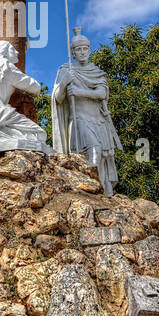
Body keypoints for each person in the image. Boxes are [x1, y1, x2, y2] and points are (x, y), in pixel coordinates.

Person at [51, 29, 122, 194]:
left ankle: (103, 191)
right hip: (79, 119)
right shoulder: (66, 70)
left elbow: (101, 94)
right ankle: (91, 189)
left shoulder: (96, 72)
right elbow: (58, 98)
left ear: (89, 50)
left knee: (102, 157)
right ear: (73, 53)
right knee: (94, 151)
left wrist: (79, 91)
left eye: (85, 49)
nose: (82, 52)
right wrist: (64, 83)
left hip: (98, 120)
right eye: (78, 50)